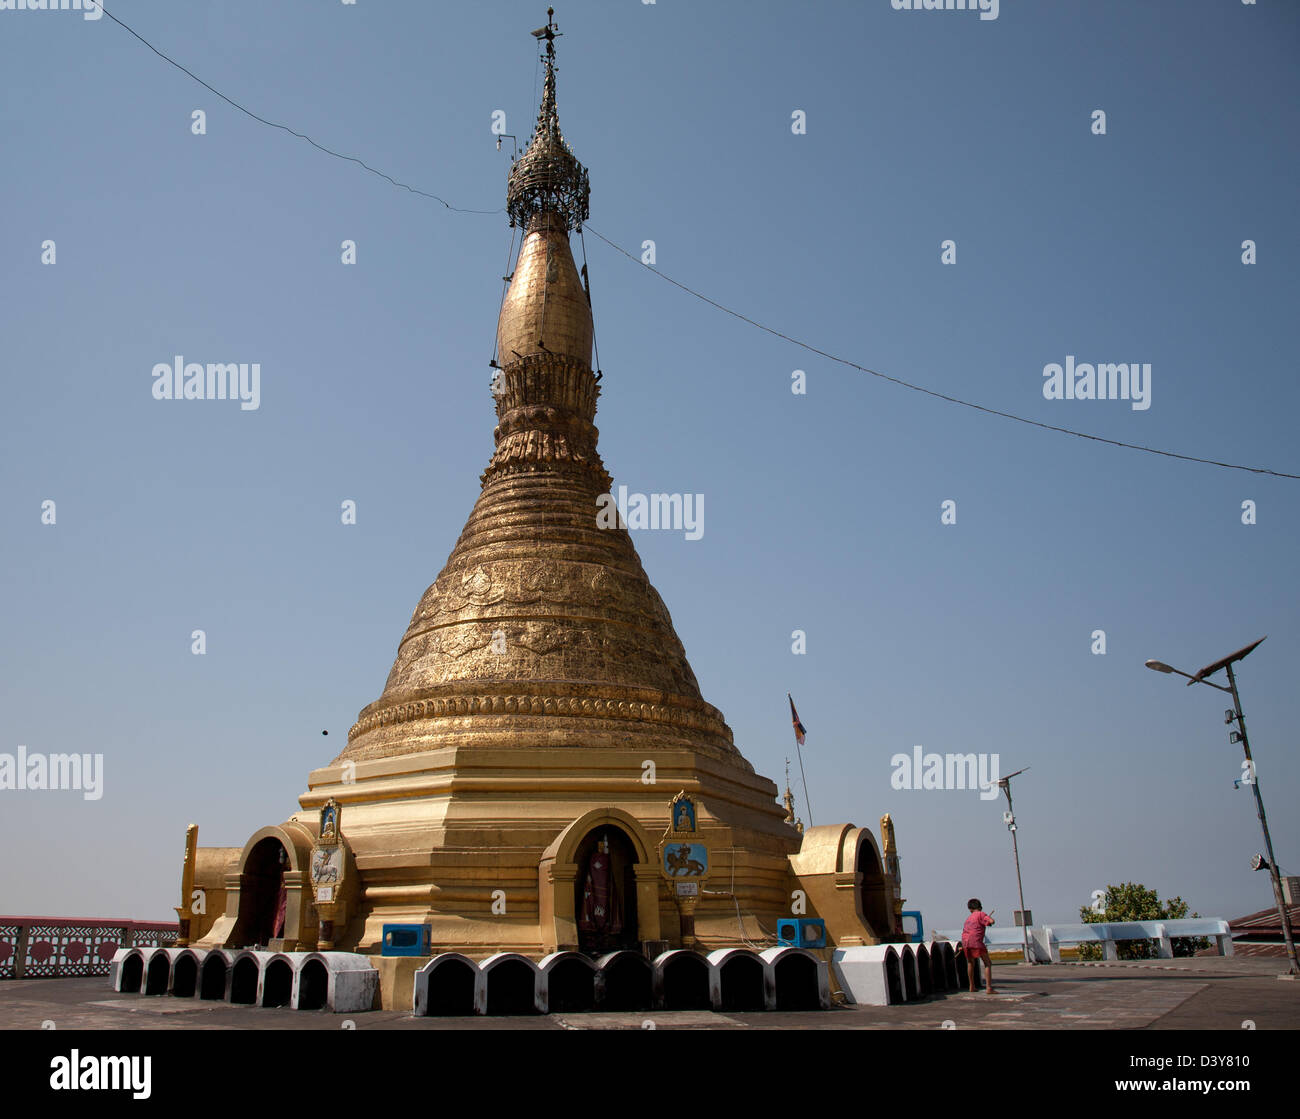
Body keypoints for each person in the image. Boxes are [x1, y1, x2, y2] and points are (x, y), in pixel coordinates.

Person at [961, 898, 996, 994]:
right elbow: (991, 921)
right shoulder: (981, 914)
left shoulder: (969, 918)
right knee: (987, 963)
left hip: (965, 942)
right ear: (980, 907)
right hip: (976, 941)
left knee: (970, 962)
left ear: (970, 909)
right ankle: (989, 988)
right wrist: (990, 921)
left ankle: (971, 986)